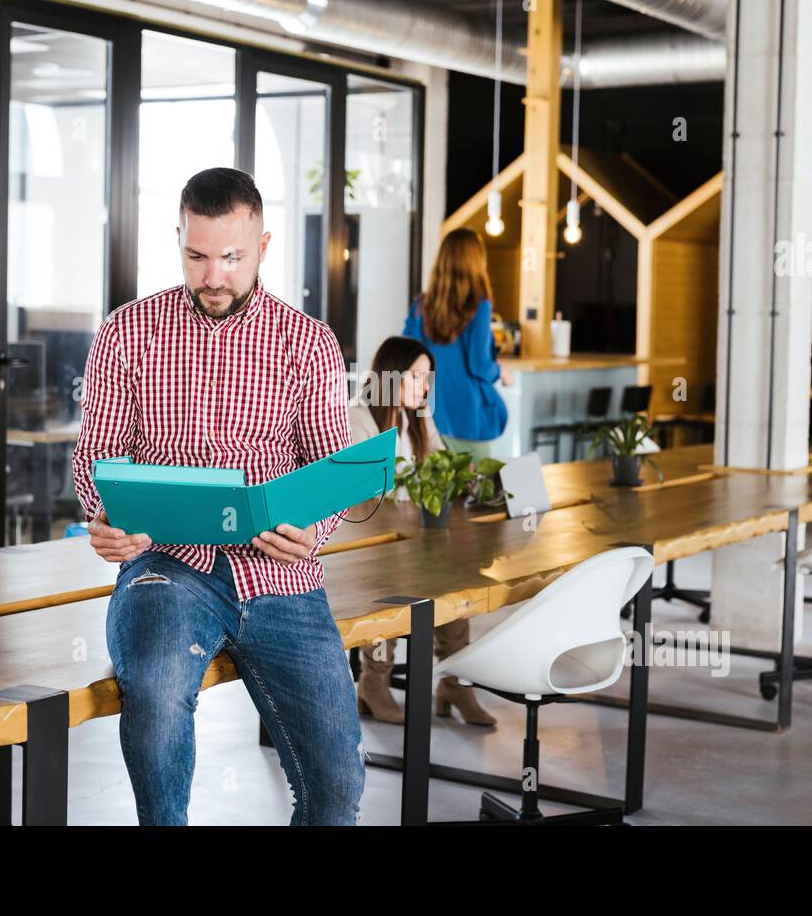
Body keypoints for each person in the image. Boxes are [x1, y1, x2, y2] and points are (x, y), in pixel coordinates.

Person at [70, 167, 365, 826]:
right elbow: (97, 453)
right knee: (153, 691)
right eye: (196, 255)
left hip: (280, 573)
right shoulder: (127, 332)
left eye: (231, 258)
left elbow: (326, 467)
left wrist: (312, 529)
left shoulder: (308, 343)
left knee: (338, 782)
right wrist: (106, 514)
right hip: (168, 567)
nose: (213, 277)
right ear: (178, 239)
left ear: (263, 245)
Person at [347, 335, 497, 728]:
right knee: (391, 586)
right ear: (390, 376)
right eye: (416, 377)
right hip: (368, 546)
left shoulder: (417, 418)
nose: (424, 387)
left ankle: (454, 682)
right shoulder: (358, 418)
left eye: (427, 377)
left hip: (411, 542)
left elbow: (444, 471)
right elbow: (360, 499)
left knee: (455, 577)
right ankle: (373, 681)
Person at [402, 228, 510, 457]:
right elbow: (479, 364)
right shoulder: (479, 306)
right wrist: (500, 372)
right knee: (479, 490)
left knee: (435, 489)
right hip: (467, 417)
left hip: (429, 415)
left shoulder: (421, 306)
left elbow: (407, 356)